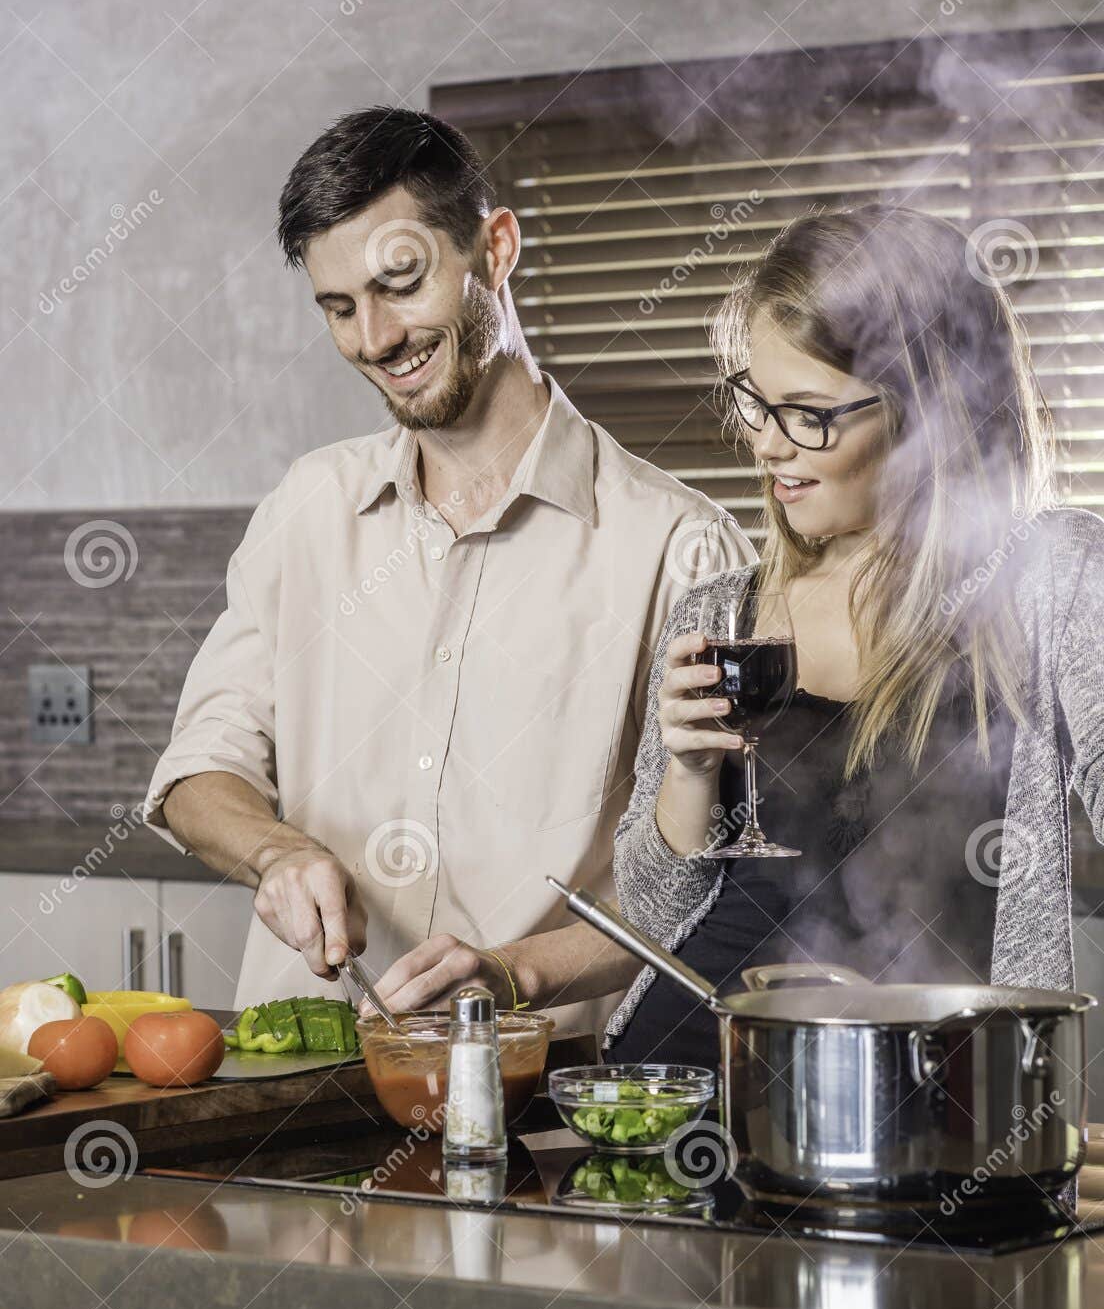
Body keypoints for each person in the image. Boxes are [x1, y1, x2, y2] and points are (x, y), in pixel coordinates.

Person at [144, 107, 753, 1034]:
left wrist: (517, 974)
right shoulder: (306, 510)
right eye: (339, 308)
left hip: (546, 1114)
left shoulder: (680, 549)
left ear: (496, 249)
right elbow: (197, 771)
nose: (375, 338)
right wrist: (275, 853)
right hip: (297, 1093)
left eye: (402, 282)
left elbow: (709, 878)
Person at [606, 203, 1104, 1067]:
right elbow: (655, 924)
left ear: (931, 411)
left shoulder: (1049, 575)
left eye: (809, 413)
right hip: (690, 1091)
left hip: (941, 1109)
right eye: (757, 404)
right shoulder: (718, 610)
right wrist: (687, 774)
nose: (766, 445)